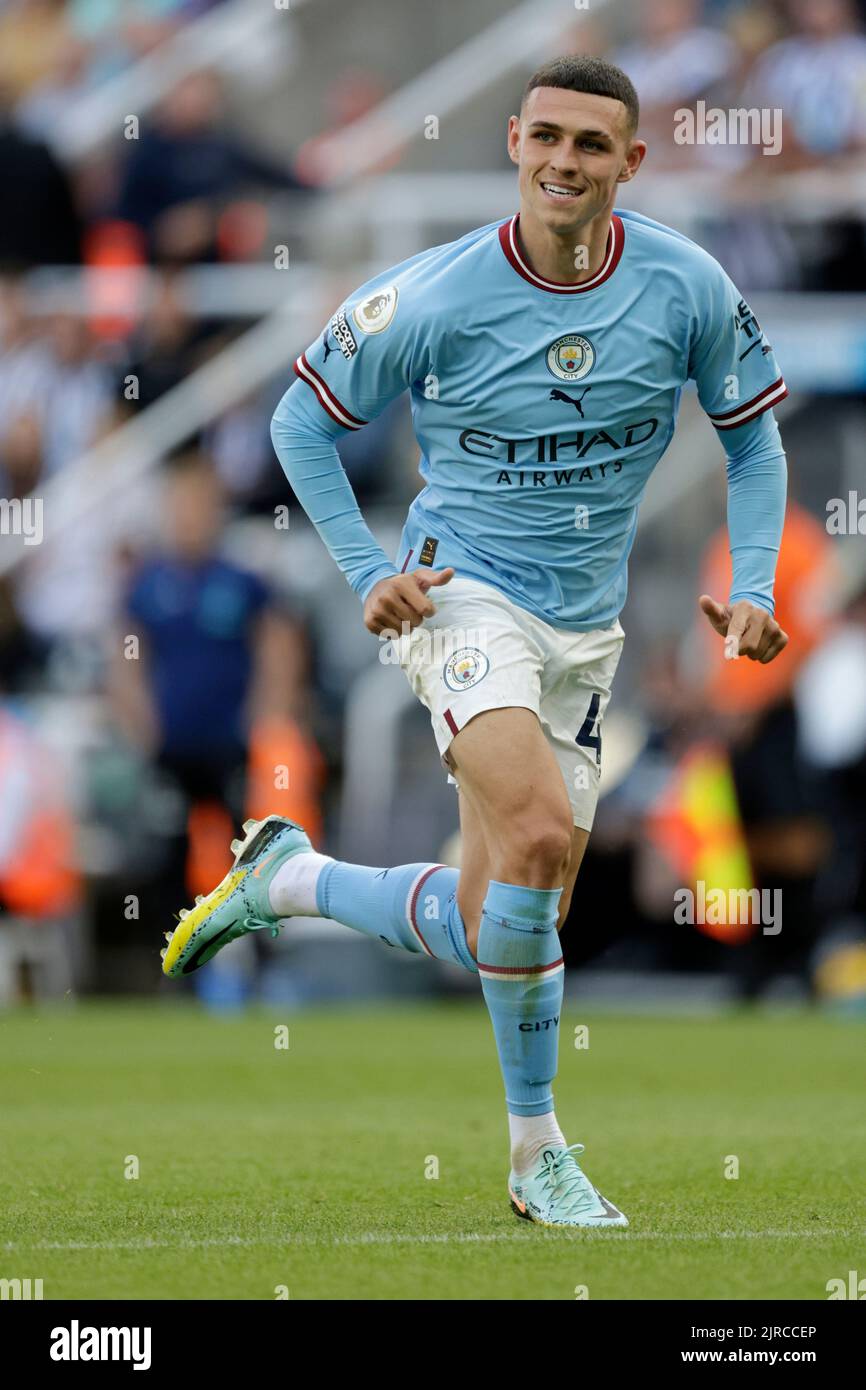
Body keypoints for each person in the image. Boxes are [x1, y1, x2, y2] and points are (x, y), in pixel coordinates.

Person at [161, 55, 789, 1230]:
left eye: (590, 145)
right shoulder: (437, 294)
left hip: (583, 631)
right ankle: (535, 1155)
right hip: (461, 596)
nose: (562, 160)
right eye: (544, 136)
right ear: (512, 140)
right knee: (543, 834)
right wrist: (368, 573)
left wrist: (750, 582)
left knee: (497, 913)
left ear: (630, 163)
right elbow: (299, 417)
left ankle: (285, 878)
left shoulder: (686, 286)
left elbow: (752, 443)